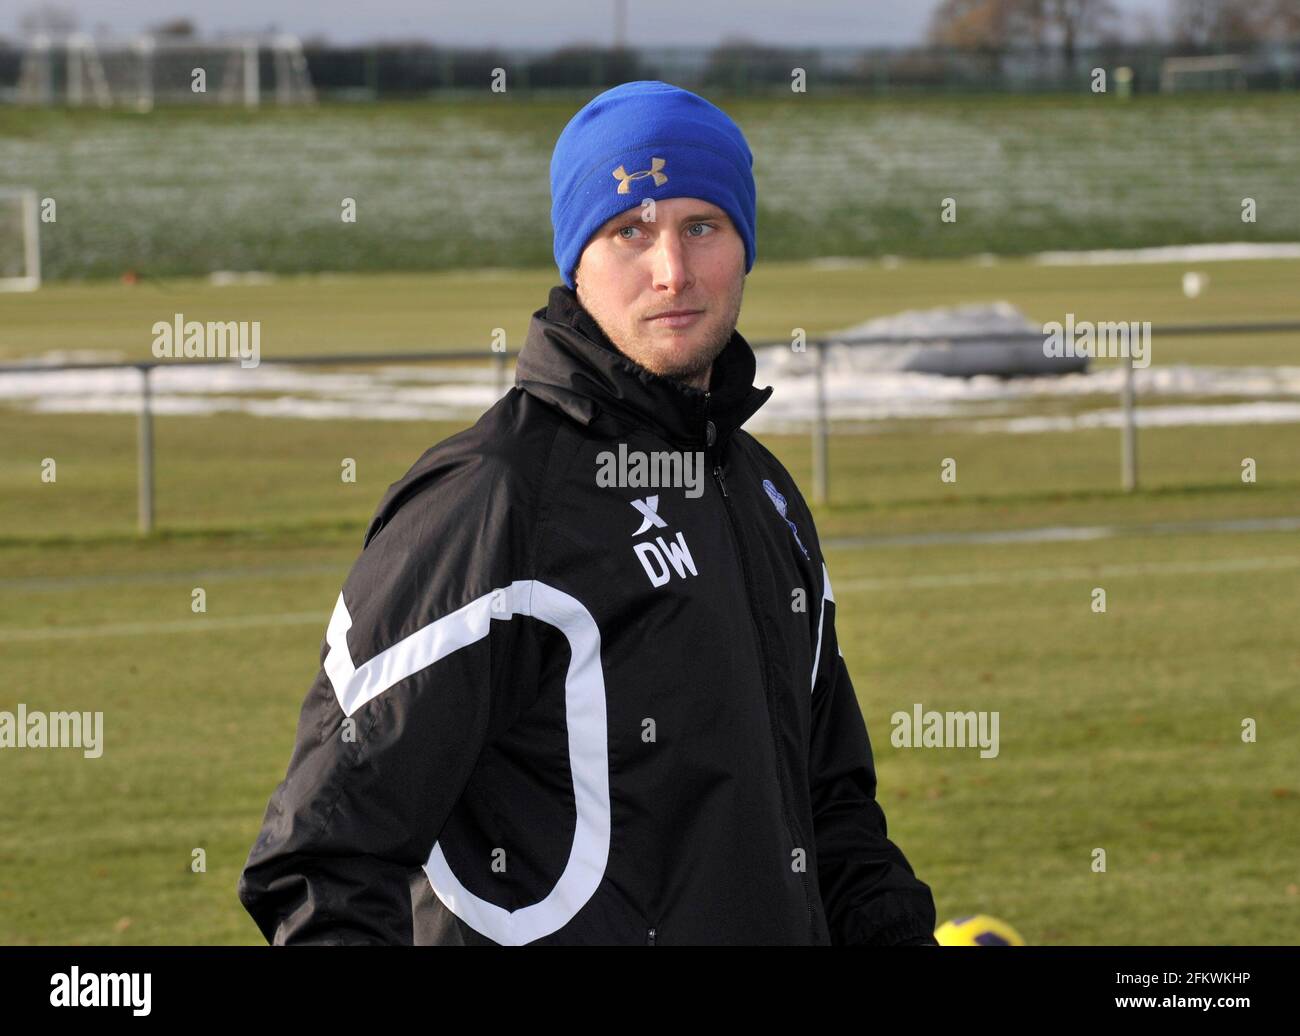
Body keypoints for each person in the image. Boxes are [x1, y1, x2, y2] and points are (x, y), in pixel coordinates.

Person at [238, 80, 938, 946]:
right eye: (629, 231)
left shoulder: (761, 494)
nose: (672, 270)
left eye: (702, 226)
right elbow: (322, 858)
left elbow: (834, 820)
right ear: (577, 258)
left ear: (745, 246)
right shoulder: (495, 499)